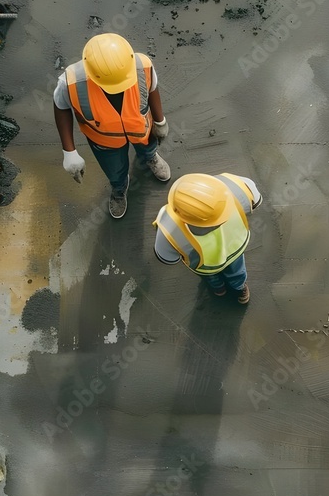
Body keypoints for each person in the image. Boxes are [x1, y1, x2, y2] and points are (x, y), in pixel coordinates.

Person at [53, 33, 171, 219]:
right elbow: (61, 107)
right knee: (115, 169)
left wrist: (159, 121)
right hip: (104, 141)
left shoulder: (142, 66)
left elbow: (152, 88)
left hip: (142, 129)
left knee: (149, 147)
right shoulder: (71, 82)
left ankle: (151, 158)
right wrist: (69, 152)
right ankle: (119, 187)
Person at [153, 173, 262, 304]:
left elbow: (168, 257)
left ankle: (219, 289)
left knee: (211, 277)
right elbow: (255, 200)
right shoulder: (235, 186)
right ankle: (239, 287)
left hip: (205, 264)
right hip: (235, 247)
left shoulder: (169, 225)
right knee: (237, 271)